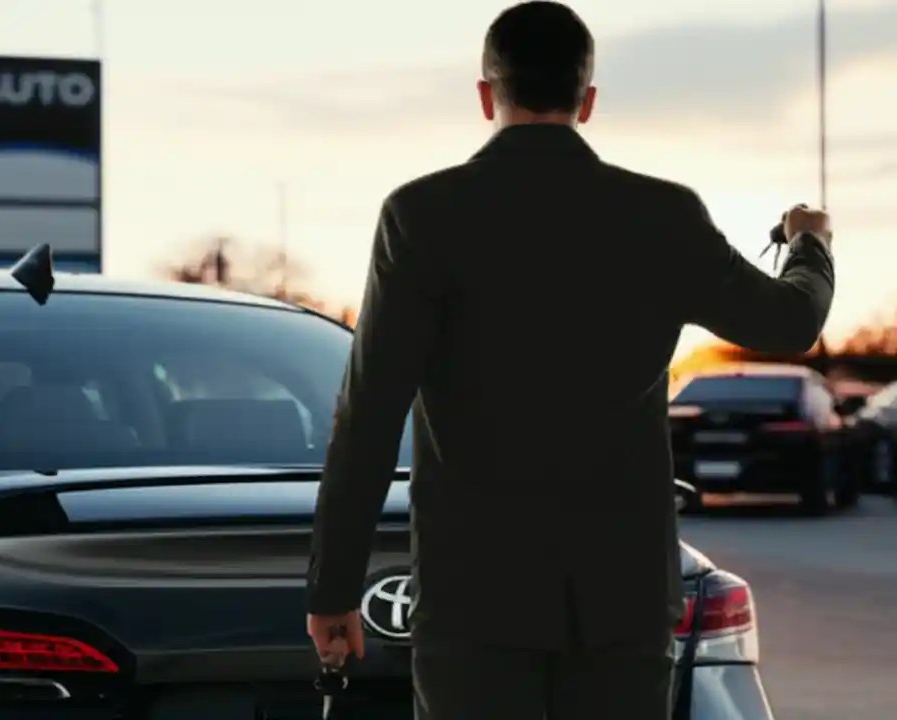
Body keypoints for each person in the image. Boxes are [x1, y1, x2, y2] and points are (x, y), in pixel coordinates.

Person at [304, 2, 835, 718]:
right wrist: (810, 244)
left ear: (488, 95)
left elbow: (368, 415)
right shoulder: (664, 213)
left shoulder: (423, 215)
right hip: (624, 603)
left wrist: (334, 591)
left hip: (475, 602)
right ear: (587, 101)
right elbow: (790, 319)